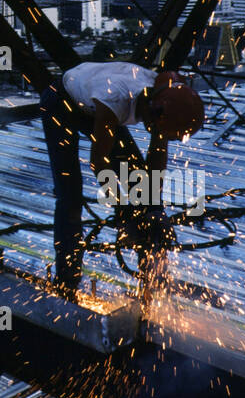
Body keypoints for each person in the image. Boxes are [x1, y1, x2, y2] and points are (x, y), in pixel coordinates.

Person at [39, 62, 205, 299]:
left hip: (95, 105)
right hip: (61, 103)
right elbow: (99, 162)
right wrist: (124, 211)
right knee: (70, 196)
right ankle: (66, 283)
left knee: (142, 189)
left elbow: (155, 162)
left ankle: (153, 280)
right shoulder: (118, 98)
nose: (159, 136)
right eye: (159, 132)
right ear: (153, 112)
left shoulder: (162, 98)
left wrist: (153, 209)